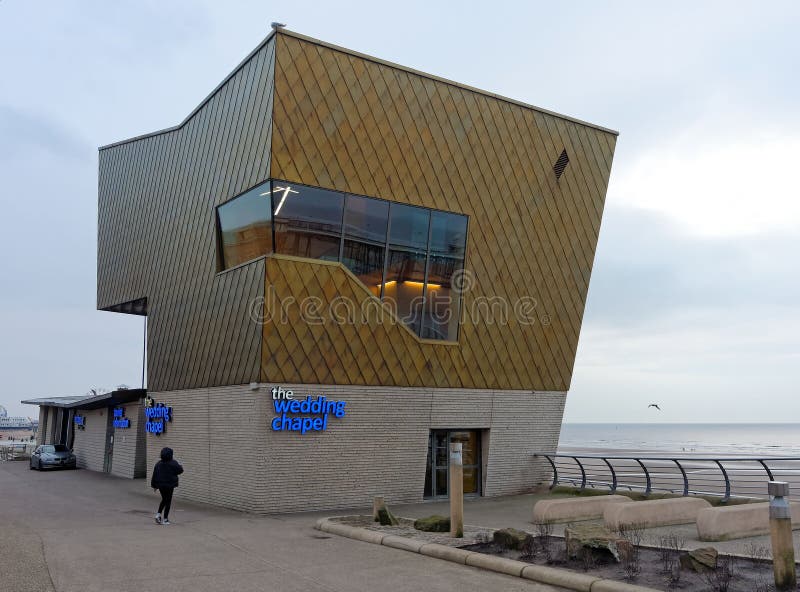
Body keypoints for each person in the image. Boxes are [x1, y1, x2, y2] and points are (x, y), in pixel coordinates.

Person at [150, 447, 183, 525]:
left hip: (161, 485)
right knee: (168, 501)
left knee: (164, 499)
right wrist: (180, 466)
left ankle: (158, 514)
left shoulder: (158, 464)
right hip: (170, 485)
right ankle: (165, 519)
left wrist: (154, 485)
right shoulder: (173, 463)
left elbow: (154, 474)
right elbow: (180, 470)